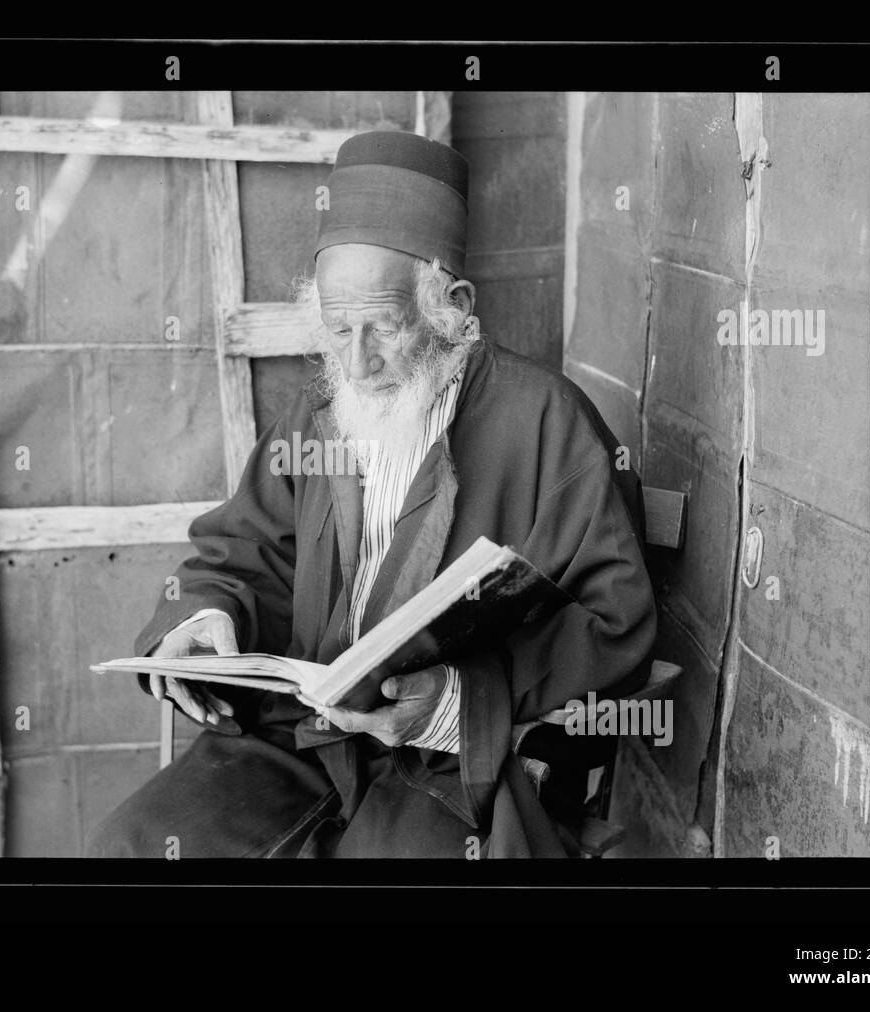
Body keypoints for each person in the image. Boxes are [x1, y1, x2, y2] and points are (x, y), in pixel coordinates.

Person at [90, 130, 656, 858]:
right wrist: (207, 612)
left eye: (384, 327)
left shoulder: (546, 421)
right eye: (337, 328)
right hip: (304, 739)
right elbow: (247, 549)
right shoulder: (320, 414)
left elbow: (617, 628)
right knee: (129, 845)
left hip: (455, 761)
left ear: (452, 306)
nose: (356, 362)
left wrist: (453, 700)